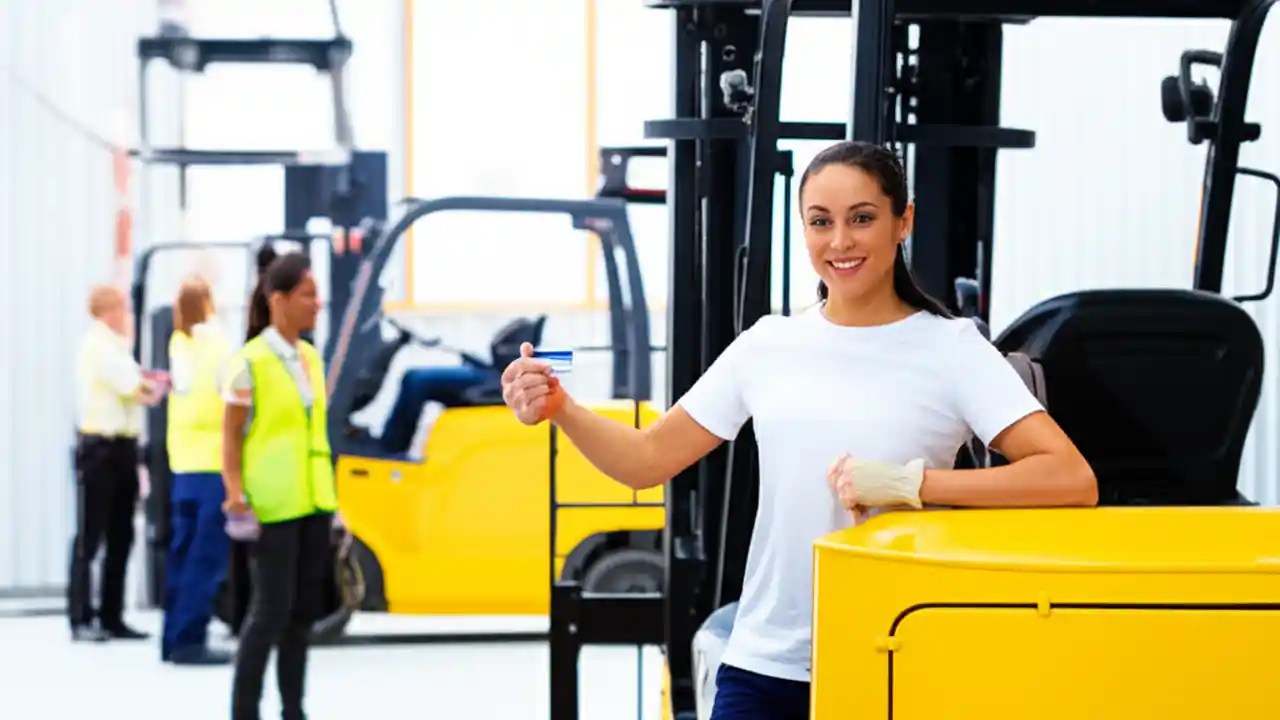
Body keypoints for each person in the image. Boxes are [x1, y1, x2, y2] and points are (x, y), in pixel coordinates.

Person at [499, 140, 1099, 720]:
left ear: (903, 221)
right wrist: (562, 409)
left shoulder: (952, 348)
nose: (840, 241)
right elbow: (647, 458)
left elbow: (1070, 477)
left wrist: (914, 484)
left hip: (898, 652)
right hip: (766, 664)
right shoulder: (770, 343)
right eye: (820, 222)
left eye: (862, 218)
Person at [223, 252, 335, 720]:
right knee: (269, 614)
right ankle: (244, 712)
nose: (317, 304)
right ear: (279, 300)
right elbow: (230, 438)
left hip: (314, 500)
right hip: (270, 505)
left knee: (302, 615)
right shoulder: (249, 362)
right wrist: (235, 496)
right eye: (308, 295)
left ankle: (295, 711)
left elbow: (316, 434)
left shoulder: (310, 356)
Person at [69, 284, 164, 642]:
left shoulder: (118, 349)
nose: (126, 317)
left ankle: (112, 616)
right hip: (100, 449)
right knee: (91, 536)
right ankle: (81, 617)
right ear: (106, 311)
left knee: (121, 534)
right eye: (121, 309)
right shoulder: (99, 346)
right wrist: (156, 388)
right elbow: (136, 389)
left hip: (122, 449)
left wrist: (149, 385)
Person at [160, 275, 234, 665]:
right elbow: (230, 396)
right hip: (210, 464)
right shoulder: (215, 343)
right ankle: (190, 640)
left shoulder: (178, 343)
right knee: (205, 559)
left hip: (183, 466)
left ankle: (172, 637)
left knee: (181, 554)